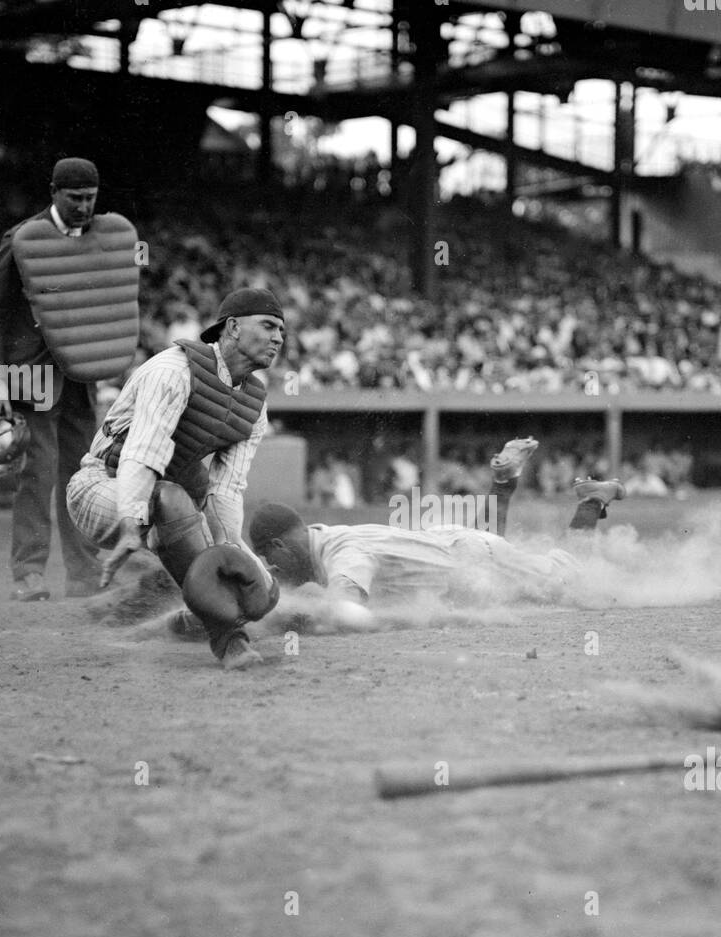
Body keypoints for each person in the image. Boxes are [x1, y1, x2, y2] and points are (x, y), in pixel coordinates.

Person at [66, 287, 285, 670]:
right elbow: (141, 453)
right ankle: (228, 638)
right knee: (168, 499)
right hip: (102, 487)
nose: (278, 338)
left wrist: (232, 550)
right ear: (231, 327)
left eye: (281, 331)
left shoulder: (254, 405)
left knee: (263, 591)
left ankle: (182, 618)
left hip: (171, 502)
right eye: (268, 326)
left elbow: (226, 491)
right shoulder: (174, 370)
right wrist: (132, 524)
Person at [247, 437, 625, 610]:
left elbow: (347, 609)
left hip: (470, 562)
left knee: (574, 579)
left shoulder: (344, 552)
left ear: (280, 545)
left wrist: (296, 615)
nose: (272, 569)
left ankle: (594, 499)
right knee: (485, 552)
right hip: (452, 552)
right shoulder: (324, 538)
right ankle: (504, 481)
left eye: (268, 559)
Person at [0, 157, 107, 602]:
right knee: (39, 472)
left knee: (83, 477)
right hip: (31, 372)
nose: (84, 207)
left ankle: (85, 574)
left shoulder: (100, 239)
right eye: (75, 198)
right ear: (53, 192)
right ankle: (28, 574)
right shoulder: (22, 239)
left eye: (90, 198)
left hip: (80, 376)